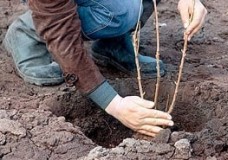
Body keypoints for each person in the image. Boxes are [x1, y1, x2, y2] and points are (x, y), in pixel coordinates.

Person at [4, 0, 207, 137]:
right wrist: (114, 104)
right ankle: (27, 30)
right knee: (121, 12)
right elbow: (61, 33)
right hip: (52, 10)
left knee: (126, 8)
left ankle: (113, 42)